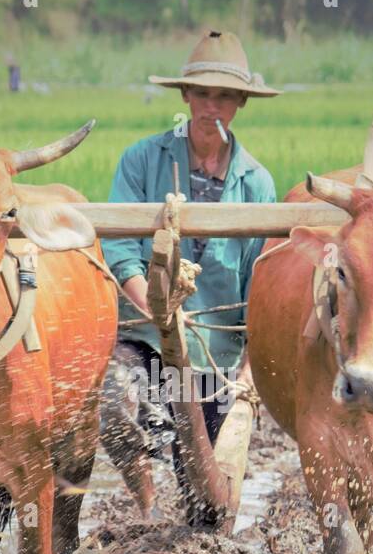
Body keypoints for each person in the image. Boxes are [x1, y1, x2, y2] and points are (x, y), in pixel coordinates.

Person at [99, 30, 279, 516]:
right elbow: (117, 246)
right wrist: (156, 308)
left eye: (224, 96)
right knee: (114, 403)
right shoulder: (142, 160)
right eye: (202, 94)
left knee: (203, 497)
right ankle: (145, 504)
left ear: (241, 102)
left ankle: (192, 552)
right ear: (185, 96)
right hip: (145, 338)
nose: (210, 107)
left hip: (216, 354)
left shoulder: (256, 183)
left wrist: (248, 371)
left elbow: (260, 282)